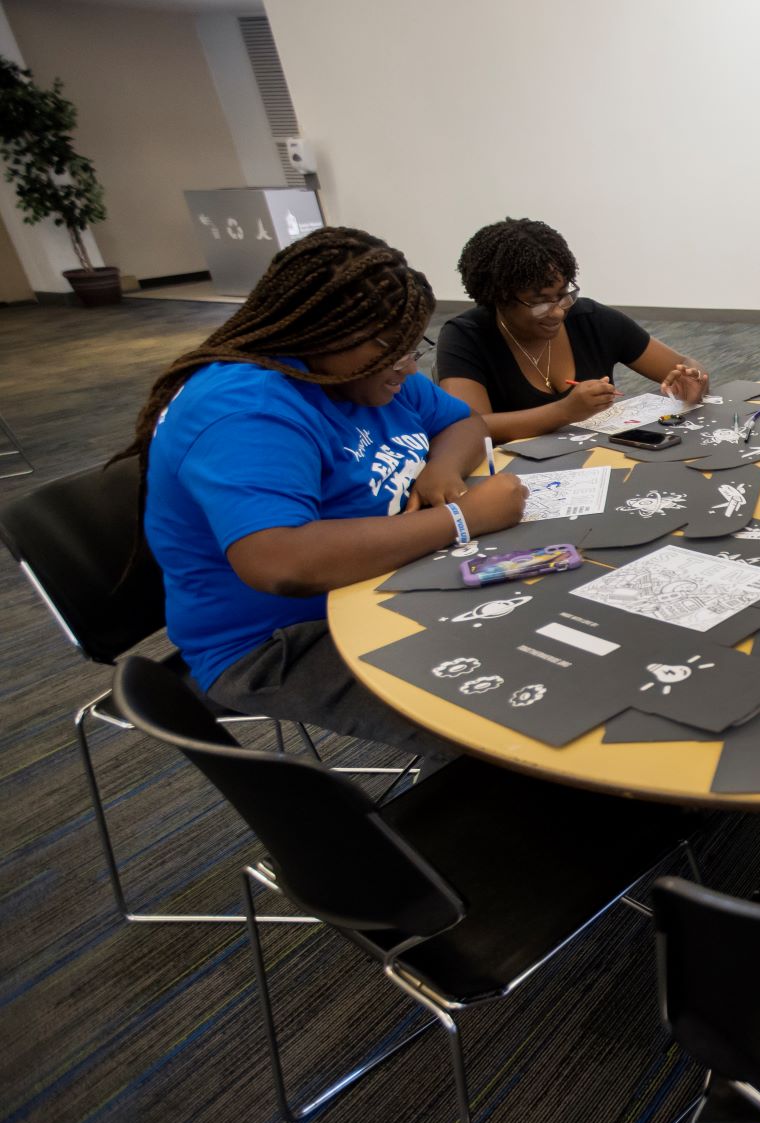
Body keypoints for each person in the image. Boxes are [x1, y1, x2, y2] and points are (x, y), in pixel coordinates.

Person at [132, 227, 527, 758]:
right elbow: (281, 561)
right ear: (316, 331)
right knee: (509, 717)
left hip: (387, 580)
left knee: (561, 632)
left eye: (412, 347)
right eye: (390, 349)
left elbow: (464, 424)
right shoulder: (245, 409)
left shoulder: (369, 369)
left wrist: (440, 470)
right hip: (281, 639)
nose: (407, 366)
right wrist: (462, 519)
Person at [436, 218, 709, 439]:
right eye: (539, 302)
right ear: (499, 297)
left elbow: (682, 364)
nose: (557, 311)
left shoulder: (589, 318)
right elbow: (468, 428)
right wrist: (564, 411)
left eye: (563, 294)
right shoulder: (466, 337)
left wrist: (693, 379)